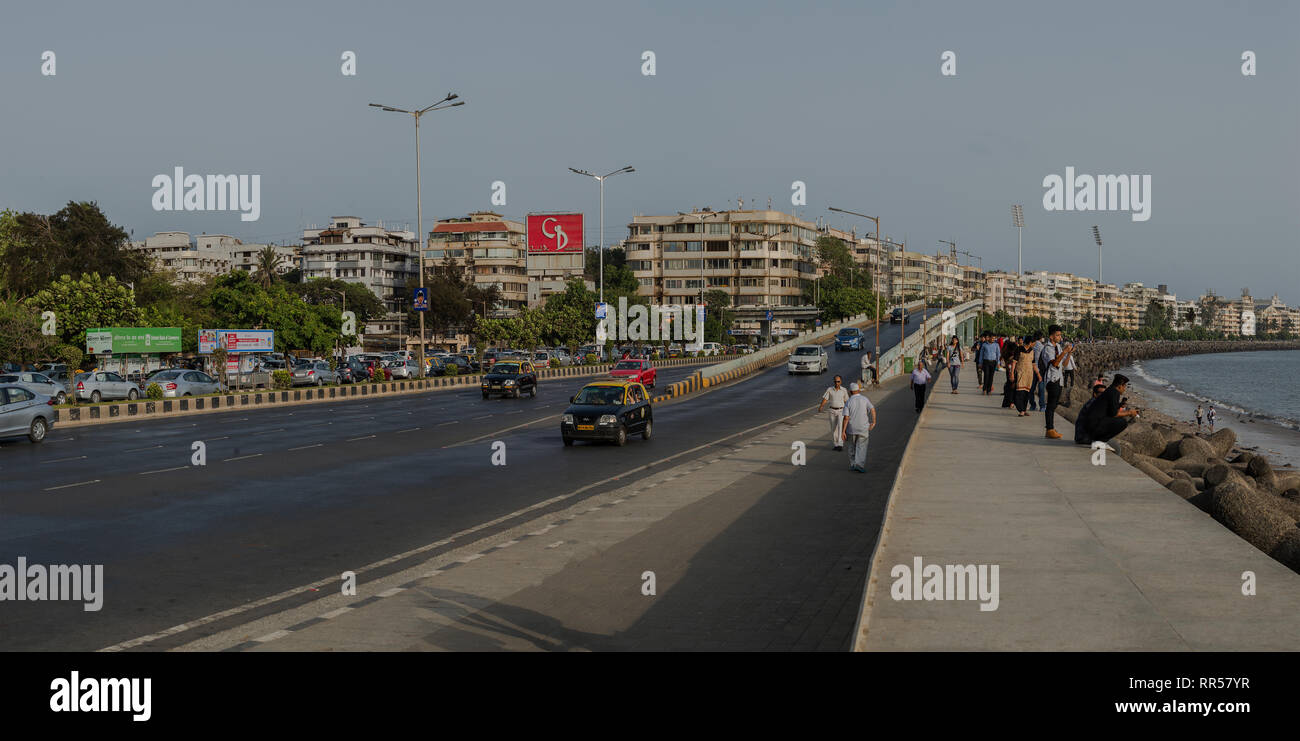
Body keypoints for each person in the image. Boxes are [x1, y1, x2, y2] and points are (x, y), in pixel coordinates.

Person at [1082, 373, 1140, 443]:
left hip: (1089, 425)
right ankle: (1100, 441)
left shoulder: (1110, 390)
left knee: (1118, 419)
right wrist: (1130, 412)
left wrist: (1121, 407)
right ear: (1119, 386)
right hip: (1093, 426)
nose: (1124, 389)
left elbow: (1110, 411)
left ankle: (1098, 440)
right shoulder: (1115, 393)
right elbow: (1114, 414)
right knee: (1123, 423)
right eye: (1124, 387)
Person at [1038, 324, 1073, 439]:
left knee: (1054, 405)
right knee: (1051, 405)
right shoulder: (1048, 348)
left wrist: (1069, 353)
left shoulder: (1058, 347)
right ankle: (1049, 429)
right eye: (1057, 335)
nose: (1060, 337)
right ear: (1051, 336)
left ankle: (1051, 428)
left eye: (1060, 335)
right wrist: (1064, 351)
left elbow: (1064, 364)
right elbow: (1054, 363)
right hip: (1051, 378)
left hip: (1059, 378)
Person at [840, 382, 877, 472]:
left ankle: (853, 464)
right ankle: (859, 465)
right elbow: (872, 409)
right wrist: (874, 422)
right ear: (858, 390)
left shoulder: (848, 402)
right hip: (863, 428)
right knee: (862, 446)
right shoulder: (865, 399)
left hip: (851, 429)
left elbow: (846, 418)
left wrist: (843, 431)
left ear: (850, 392)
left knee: (851, 447)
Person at [817, 375, 850, 450]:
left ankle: (840, 444)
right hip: (832, 410)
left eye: (838, 381)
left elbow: (847, 401)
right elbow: (825, 399)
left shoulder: (844, 390)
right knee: (833, 428)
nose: (836, 383)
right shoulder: (830, 389)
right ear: (833, 382)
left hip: (841, 410)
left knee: (840, 426)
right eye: (835, 381)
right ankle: (835, 444)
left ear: (841, 382)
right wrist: (821, 406)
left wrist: (848, 410)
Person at [1013, 336, 1036, 416]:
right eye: (1034, 343)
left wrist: (1039, 375)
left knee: (1027, 392)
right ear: (1030, 342)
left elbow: (1033, 364)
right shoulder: (1019, 349)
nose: (1034, 344)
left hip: (1029, 374)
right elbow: (1014, 362)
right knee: (1020, 392)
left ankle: (1024, 409)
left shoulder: (1032, 351)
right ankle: (1021, 410)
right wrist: (1012, 373)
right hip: (1020, 372)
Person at [1029, 333, 1045, 412]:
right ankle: (1042, 406)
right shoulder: (1042, 347)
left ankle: (1032, 405)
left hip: (1032, 369)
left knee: (1031, 389)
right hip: (1040, 370)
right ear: (1041, 338)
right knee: (1041, 389)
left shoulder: (1031, 346)